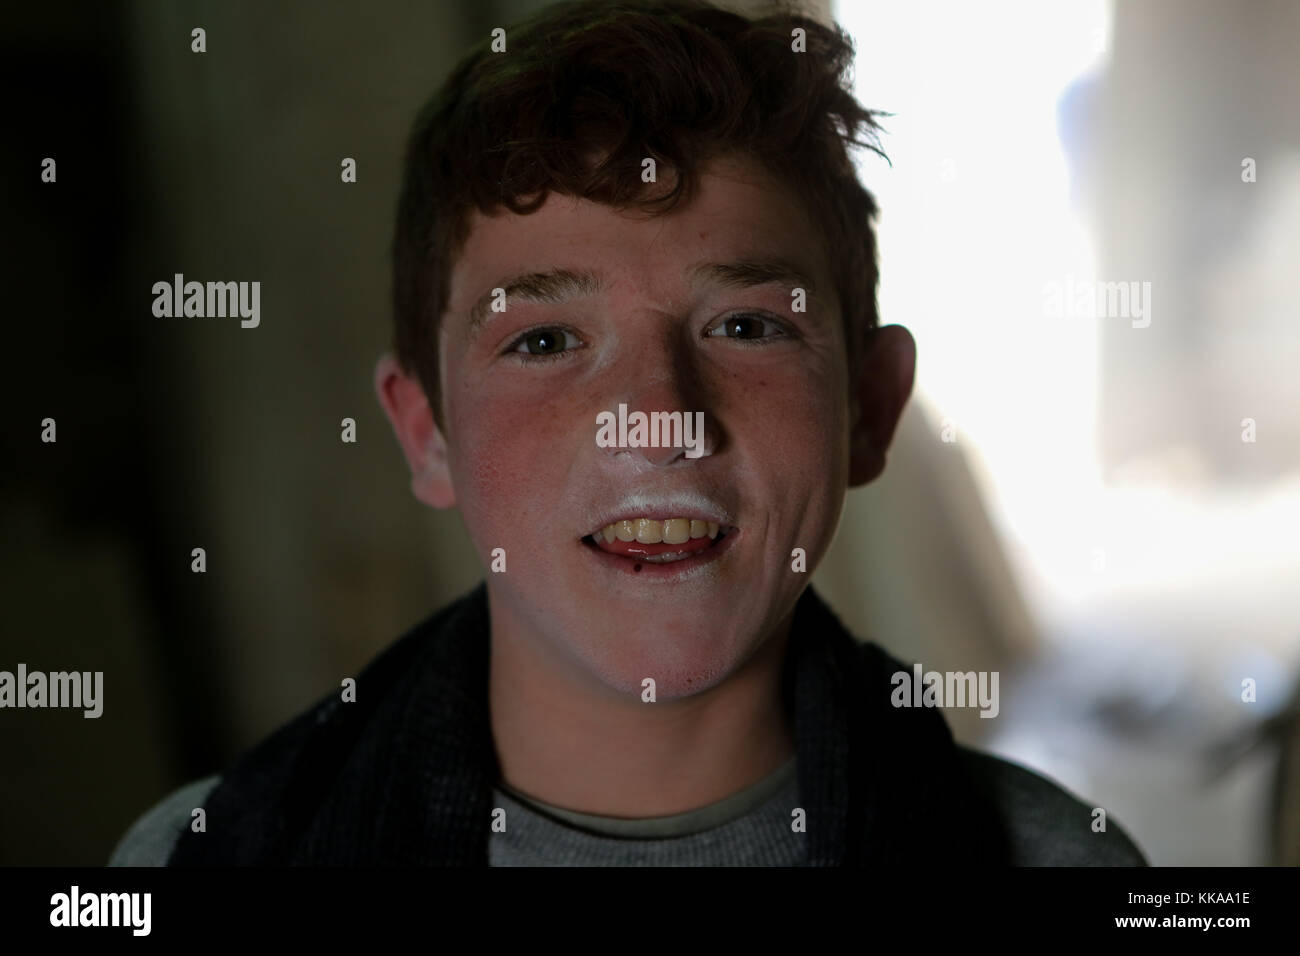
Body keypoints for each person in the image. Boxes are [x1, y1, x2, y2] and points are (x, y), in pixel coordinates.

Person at [110, 0, 1146, 867]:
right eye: (546, 338)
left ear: (866, 411)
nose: (658, 421)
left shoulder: (1051, 858)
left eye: (746, 326)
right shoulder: (204, 856)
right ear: (425, 432)